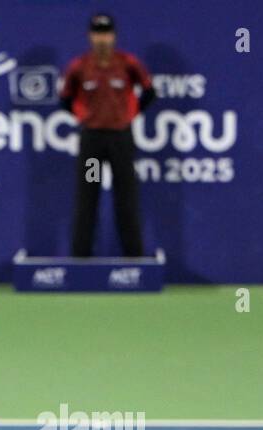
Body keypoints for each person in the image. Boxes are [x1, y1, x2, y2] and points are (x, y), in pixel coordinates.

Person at [61, 13, 155, 257]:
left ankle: (135, 262)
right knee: (88, 197)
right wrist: (84, 117)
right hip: (93, 142)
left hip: (120, 140)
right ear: (90, 36)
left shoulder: (127, 63)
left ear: (113, 36)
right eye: (97, 33)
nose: (102, 39)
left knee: (126, 199)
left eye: (106, 33)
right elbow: (65, 98)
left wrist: (130, 115)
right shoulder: (80, 67)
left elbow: (149, 91)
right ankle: (80, 260)